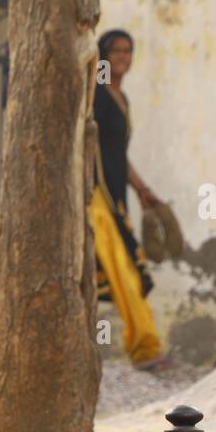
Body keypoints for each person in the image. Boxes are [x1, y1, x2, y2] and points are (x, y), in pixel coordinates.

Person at [90, 28, 169, 370]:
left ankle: (143, 348)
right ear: (103, 56)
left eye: (128, 50)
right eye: (116, 50)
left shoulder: (123, 98)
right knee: (121, 268)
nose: (122, 56)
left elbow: (118, 154)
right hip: (96, 195)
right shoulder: (94, 95)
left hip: (116, 194)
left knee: (127, 271)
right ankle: (145, 348)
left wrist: (142, 189)